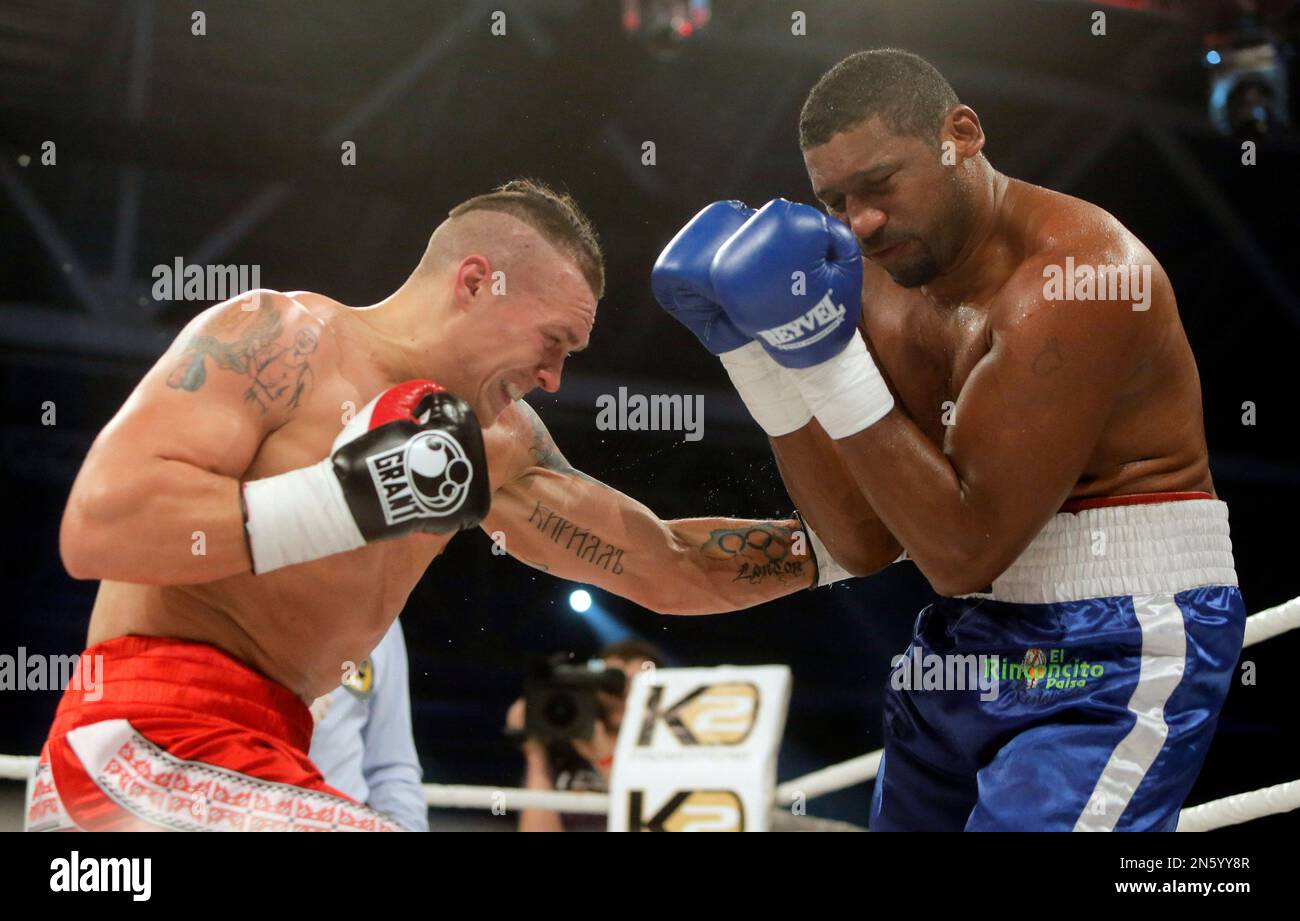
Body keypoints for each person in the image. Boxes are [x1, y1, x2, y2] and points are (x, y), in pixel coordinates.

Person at [29, 179, 818, 832]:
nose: (552, 378)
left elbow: (667, 567)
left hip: (270, 753)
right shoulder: (278, 338)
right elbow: (100, 525)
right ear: (476, 283)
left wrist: (847, 548)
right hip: (136, 742)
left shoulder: (497, 441)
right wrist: (348, 500)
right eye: (553, 341)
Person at [652, 50, 1244, 832]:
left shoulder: (1080, 278)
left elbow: (965, 549)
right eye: (834, 201)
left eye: (879, 184)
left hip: (1115, 634)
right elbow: (863, 544)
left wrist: (825, 367)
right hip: (964, 631)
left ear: (959, 134)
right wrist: (755, 356)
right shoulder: (873, 281)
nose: (858, 222)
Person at [504, 639, 663, 832]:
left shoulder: (667, 753)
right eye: (613, 684)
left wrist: (604, 759)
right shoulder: (564, 749)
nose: (625, 694)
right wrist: (535, 753)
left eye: (637, 684)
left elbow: (658, 820)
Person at [308, 619, 428, 832]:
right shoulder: (243, 601)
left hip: (347, 820)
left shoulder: (384, 614)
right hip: (250, 815)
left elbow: (391, 766)